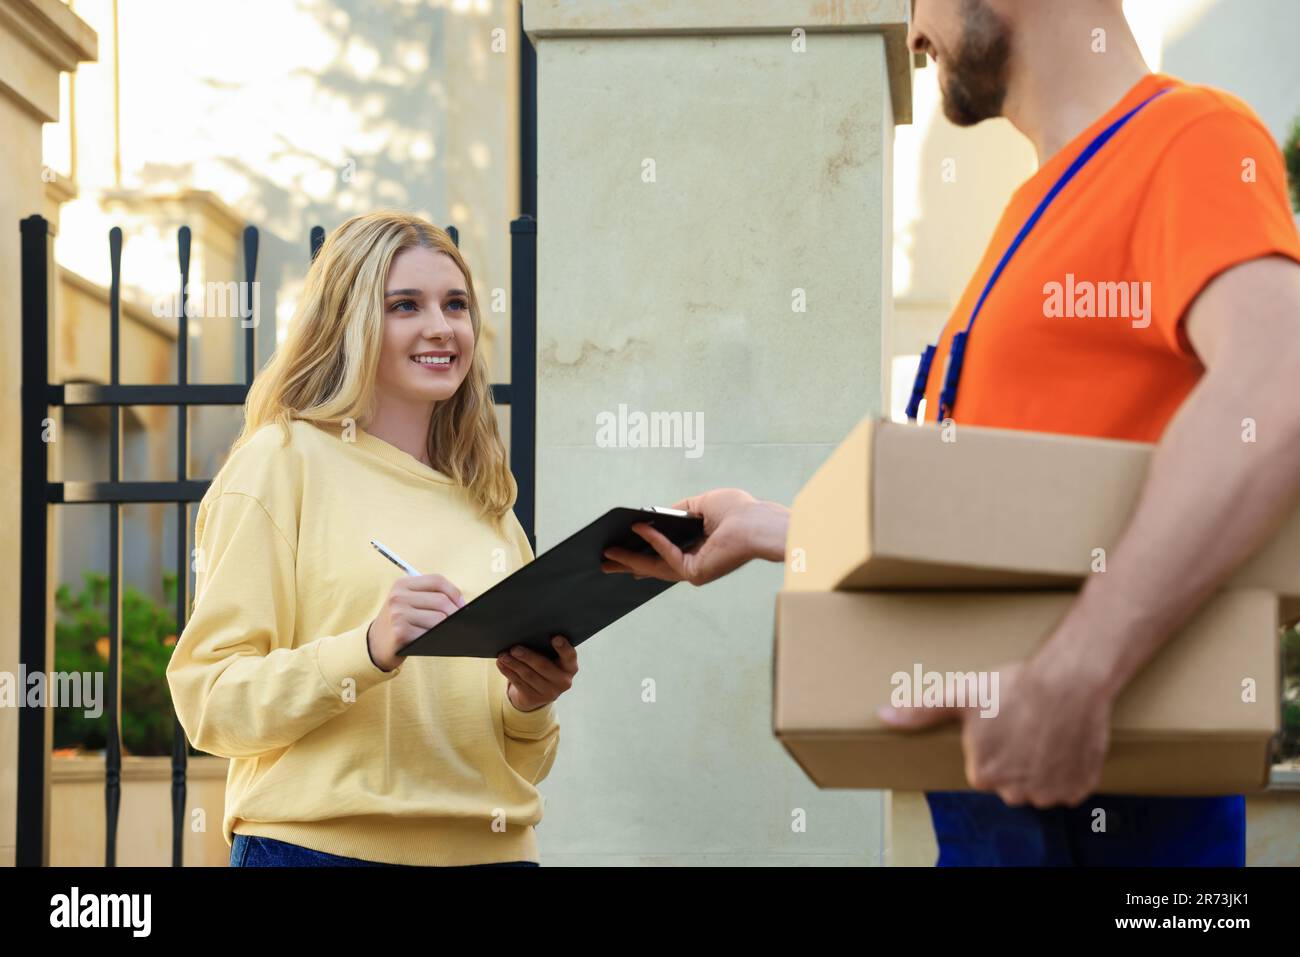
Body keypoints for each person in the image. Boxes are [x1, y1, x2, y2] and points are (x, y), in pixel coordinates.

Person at [603, 0, 1300, 866]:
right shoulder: (1023, 219)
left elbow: (1276, 389)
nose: (912, 32)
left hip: (1117, 815)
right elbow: (1001, 527)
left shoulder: (1189, 136)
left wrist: (1082, 668)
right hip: (989, 816)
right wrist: (770, 526)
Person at [167, 210, 578, 867]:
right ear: (350, 320)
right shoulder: (281, 462)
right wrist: (366, 649)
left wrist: (531, 700)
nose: (441, 327)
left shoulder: (488, 503)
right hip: (318, 851)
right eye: (404, 305)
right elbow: (210, 702)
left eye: (456, 304)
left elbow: (524, 760)